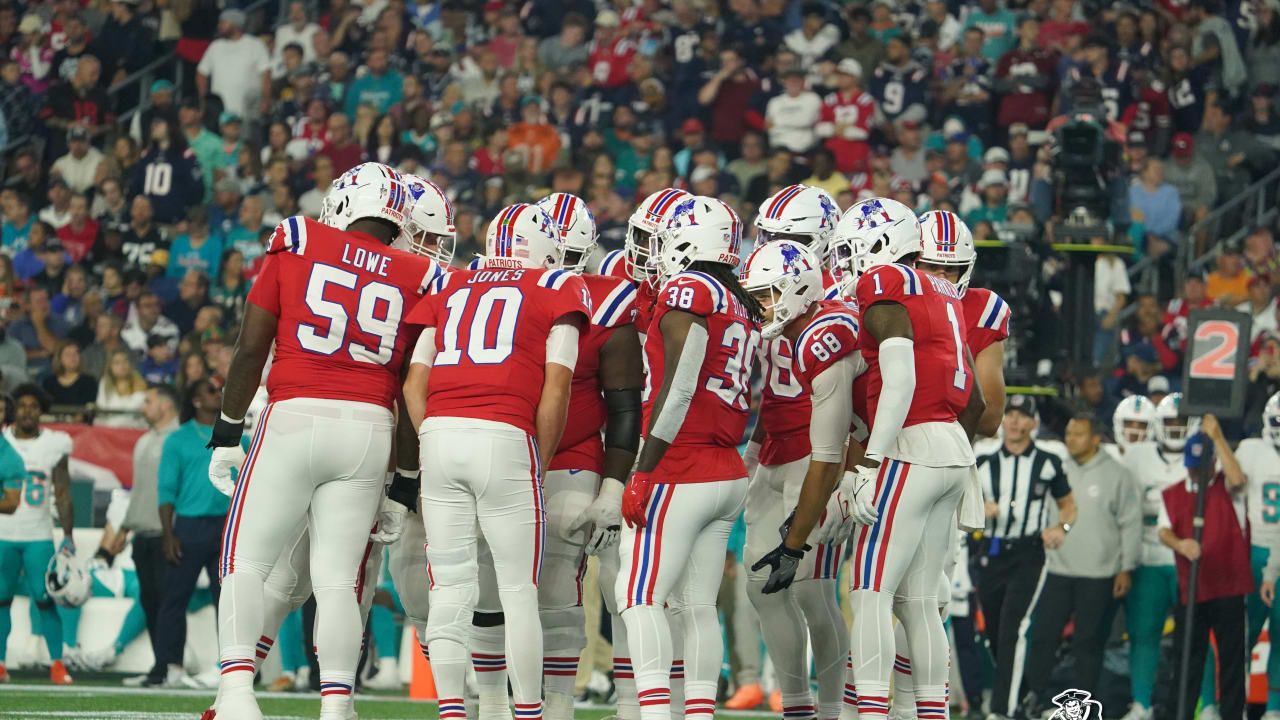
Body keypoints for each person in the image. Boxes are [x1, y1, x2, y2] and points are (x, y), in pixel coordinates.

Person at [206, 163, 439, 720]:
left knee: (245, 562)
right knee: (337, 579)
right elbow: (412, 387)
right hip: (368, 428)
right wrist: (404, 479)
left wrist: (225, 432)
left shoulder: (299, 240)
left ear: (341, 204)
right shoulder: (418, 273)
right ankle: (337, 706)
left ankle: (237, 695)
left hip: (295, 412)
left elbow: (250, 348)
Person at [401, 201, 587, 720]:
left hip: (438, 432)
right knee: (518, 591)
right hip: (505, 435)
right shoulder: (556, 289)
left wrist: (435, 436)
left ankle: (452, 712)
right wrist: (539, 459)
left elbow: (414, 384)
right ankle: (527, 712)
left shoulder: (449, 284)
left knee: (451, 588)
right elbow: (556, 392)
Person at [609, 195, 759, 720]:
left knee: (639, 596)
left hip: (681, 465)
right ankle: (696, 713)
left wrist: (644, 468)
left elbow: (679, 387)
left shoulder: (691, 289)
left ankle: (655, 715)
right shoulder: (737, 298)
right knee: (697, 607)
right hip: (726, 467)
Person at [741, 239, 864, 720]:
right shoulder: (788, 320)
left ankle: (833, 709)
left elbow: (835, 439)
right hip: (776, 454)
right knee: (760, 586)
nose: (761, 306)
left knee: (815, 590)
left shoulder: (832, 320)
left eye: (769, 294)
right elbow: (774, 394)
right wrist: (753, 454)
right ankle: (796, 706)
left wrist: (840, 483)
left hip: (820, 462)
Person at [1020, 414, 1141, 710]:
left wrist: (1126, 567)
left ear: (1096, 439)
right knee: (1043, 637)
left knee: (1088, 643)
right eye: (1069, 433)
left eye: (1078, 434)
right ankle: (1034, 698)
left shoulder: (1117, 474)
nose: (1070, 439)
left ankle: (1081, 707)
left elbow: (1130, 523)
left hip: (1099, 573)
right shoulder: (1056, 471)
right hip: (1057, 569)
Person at [976, 395, 1075, 720]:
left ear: (1034, 423)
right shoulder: (984, 458)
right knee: (993, 634)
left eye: (1022, 416)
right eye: (1010, 415)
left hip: (1029, 552)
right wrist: (980, 507)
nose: (1015, 422)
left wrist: (1060, 528)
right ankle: (1022, 697)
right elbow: (960, 496)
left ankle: (1001, 710)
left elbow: (1068, 507)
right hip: (990, 548)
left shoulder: (1048, 460)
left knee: (1012, 630)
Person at [1158, 406, 1250, 720]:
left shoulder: (1228, 485)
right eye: (1192, 466)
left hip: (1228, 586)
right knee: (1187, 660)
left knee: (1232, 659)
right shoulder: (1172, 493)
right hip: (1193, 588)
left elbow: (1237, 476)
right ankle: (1179, 713)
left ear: (1212, 463)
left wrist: (1218, 438)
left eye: (1202, 466)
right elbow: (1163, 530)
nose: (1196, 473)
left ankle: (1232, 716)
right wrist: (1179, 543)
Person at [155, 378, 243, 688]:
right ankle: (172, 666)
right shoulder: (178, 439)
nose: (217, 393)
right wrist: (168, 534)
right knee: (174, 599)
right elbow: (166, 490)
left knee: (229, 600)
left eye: (221, 388)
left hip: (227, 525)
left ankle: (229, 669)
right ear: (194, 400)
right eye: (210, 389)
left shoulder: (235, 435)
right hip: (188, 527)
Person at [0, 383, 75, 684]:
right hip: (3, 532)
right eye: (22, 405)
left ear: (41, 409)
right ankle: (1, 662)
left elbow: (62, 491)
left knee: (45, 600)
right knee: (1, 600)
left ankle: (57, 662)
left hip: (38, 534)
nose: (28, 411)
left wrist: (68, 534)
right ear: (12, 409)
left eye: (34, 405)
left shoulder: (54, 444)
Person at [916, 210, 1008, 437]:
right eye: (930, 266)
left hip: (952, 447)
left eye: (950, 269)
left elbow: (990, 419)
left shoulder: (985, 309)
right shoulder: (885, 302)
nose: (941, 278)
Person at [118, 384, 181, 686]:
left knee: (169, 604)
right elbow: (139, 492)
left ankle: (172, 666)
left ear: (166, 405)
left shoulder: (180, 440)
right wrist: (124, 527)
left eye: (148, 401)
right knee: (151, 602)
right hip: (142, 532)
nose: (143, 407)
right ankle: (160, 667)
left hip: (166, 535)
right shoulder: (143, 441)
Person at [1230, 393, 1280, 720]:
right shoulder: (1250, 449)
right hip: (1251, 550)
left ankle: (1273, 709)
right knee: (1239, 636)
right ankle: (1235, 704)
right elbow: (1231, 489)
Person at [41, 340, 96, 408]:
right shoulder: (49, 383)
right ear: (59, 358)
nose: (73, 357)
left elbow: (89, 408)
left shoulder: (89, 382)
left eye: (76, 353)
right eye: (68, 354)